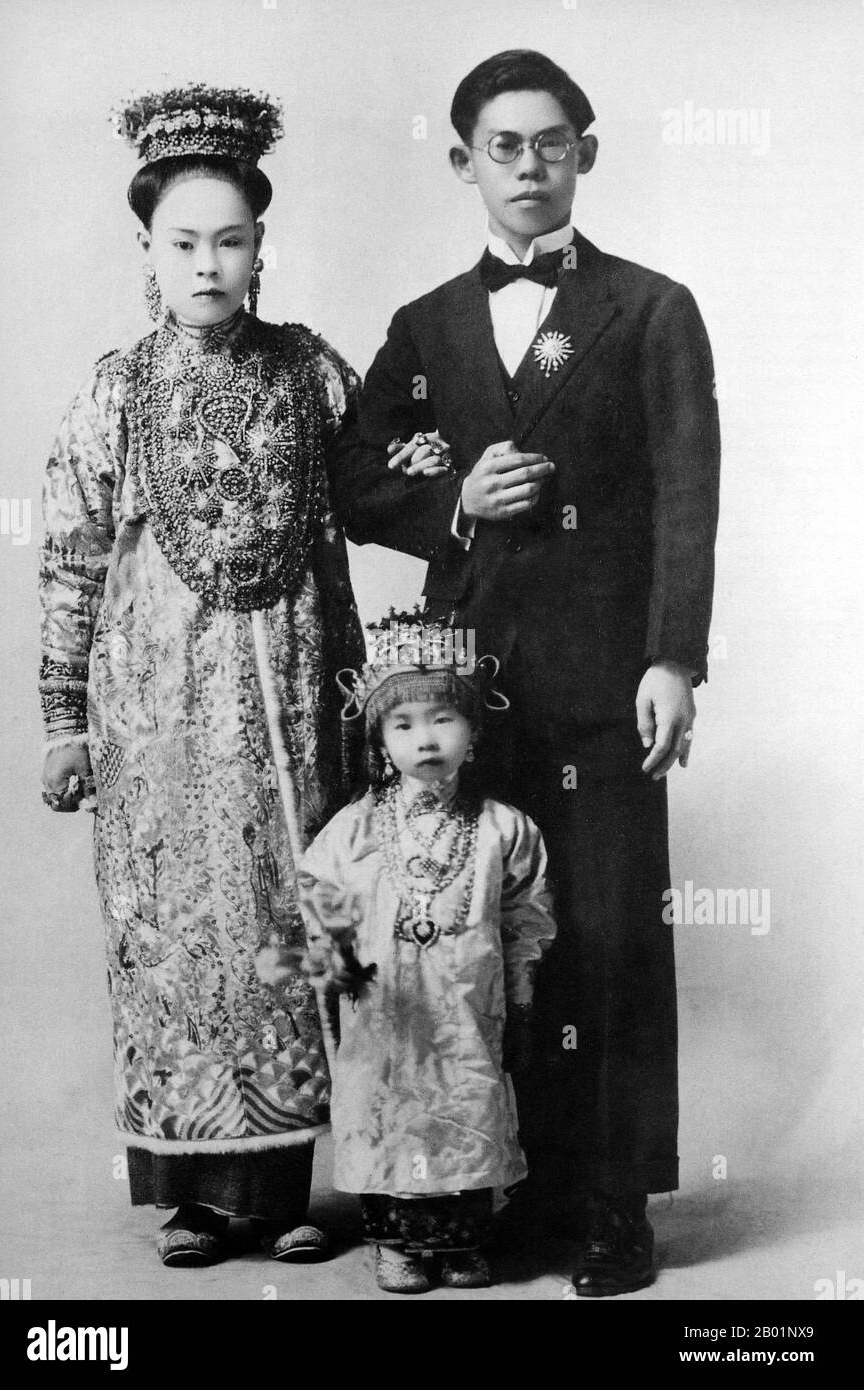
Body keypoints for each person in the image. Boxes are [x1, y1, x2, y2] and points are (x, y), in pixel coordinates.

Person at [329, 50, 720, 1295]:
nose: (528, 167)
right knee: (469, 938)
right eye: (502, 146)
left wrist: (673, 657)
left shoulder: (651, 308)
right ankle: (484, 1190)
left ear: (585, 156)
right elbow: (349, 480)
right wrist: (453, 497)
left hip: (604, 678)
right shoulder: (426, 321)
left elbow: (686, 498)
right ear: (463, 163)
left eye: (551, 143)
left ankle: (607, 1208)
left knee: (599, 936)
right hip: (464, 691)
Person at [38, 83, 366, 1267]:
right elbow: (71, 560)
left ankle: (281, 1187)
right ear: (147, 251)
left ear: (260, 247)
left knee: (285, 929)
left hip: (287, 703)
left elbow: (378, 492)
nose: (208, 263)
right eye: (183, 243)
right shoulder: (114, 393)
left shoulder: (312, 375)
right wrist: (60, 722)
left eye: (230, 240)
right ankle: (191, 1190)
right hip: (157, 723)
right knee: (175, 939)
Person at [296, 614, 557, 1293]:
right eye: (403, 725)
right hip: (386, 1005)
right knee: (388, 1105)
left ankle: (462, 1240)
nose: (426, 738)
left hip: (469, 1000)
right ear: (381, 742)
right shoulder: (355, 827)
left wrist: (523, 988)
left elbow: (527, 912)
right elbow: (315, 889)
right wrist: (337, 962)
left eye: (442, 720)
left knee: (465, 1101)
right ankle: (398, 1243)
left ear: (472, 734)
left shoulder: (504, 828)